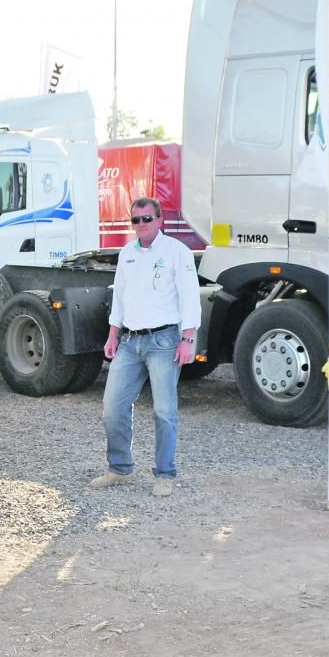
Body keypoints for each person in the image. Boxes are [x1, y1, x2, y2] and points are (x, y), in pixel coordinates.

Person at [91, 197, 201, 497]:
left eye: (147, 219)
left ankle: (165, 474)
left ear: (159, 219)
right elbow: (120, 298)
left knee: (164, 410)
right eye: (136, 220)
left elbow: (190, 296)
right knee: (112, 408)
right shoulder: (127, 253)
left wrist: (188, 339)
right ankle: (120, 468)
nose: (141, 225)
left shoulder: (177, 252)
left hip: (164, 341)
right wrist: (113, 335)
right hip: (129, 341)